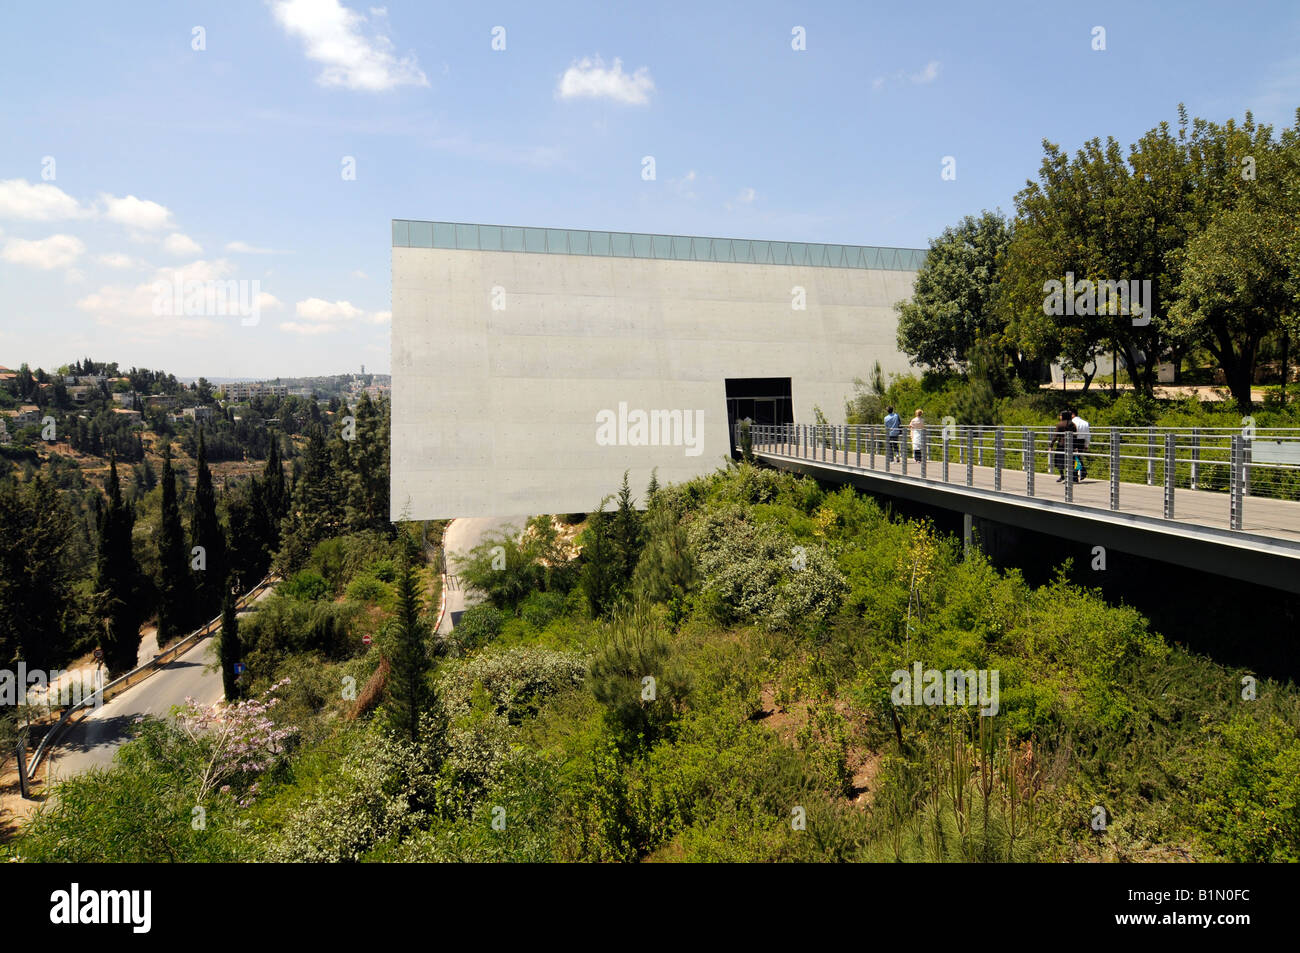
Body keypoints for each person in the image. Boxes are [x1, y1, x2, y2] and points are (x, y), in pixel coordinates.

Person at [1050, 410, 1076, 482]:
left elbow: (1055, 436)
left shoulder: (1060, 424)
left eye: (1060, 415)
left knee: (1059, 461)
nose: (1060, 417)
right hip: (1071, 445)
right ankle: (1069, 476)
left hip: (1061, 445)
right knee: (1070, 461)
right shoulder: (1073, 424)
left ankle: (1062, 476)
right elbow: (1075, 435)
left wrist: (1051, 445)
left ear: (1063, 416)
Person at [1069, 407, 1091, 481]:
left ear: (1073, 414)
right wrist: (1086, 445)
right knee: (1077, 457)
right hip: (1081, 441)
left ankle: (1080, 473)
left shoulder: (1071, 422)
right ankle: (1077, 474)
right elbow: (1088, 435)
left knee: (1074, 458)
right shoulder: (1085, 423)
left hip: (1073, 440)